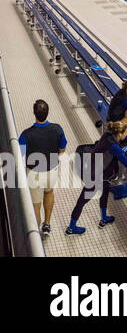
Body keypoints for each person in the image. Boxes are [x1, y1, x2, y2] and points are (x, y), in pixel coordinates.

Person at [67, 120, 127, 235]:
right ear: (120, 134)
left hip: (100, 172)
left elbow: (120, 155)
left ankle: (104, 218)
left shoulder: (107, 135)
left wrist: (125, 157)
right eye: (126, 133)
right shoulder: (113, 145)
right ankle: (71, 227)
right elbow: (125, 161)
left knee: (104, 193)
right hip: (95, 175)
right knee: (82, 201)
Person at [18, 100, 66, 237]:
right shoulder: (58, 129)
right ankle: (47, 224)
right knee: (49, 192)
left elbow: (19, 156)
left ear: (34, 113)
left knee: (35, 205)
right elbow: (62, 149)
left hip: (34, 173)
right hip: (52, 170)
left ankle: (35, 235)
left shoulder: (26, 135)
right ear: (47, 113)